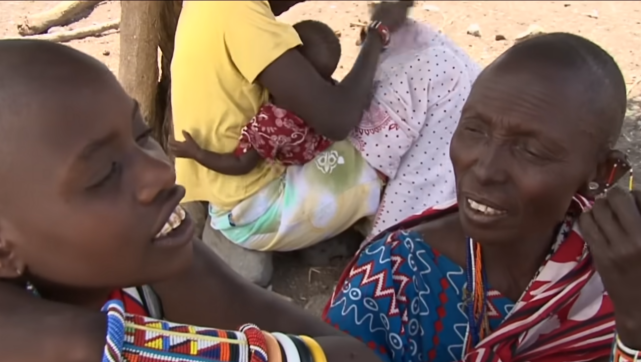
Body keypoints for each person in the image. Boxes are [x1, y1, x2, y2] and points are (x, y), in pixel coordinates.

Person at [0, 39, 412, 362]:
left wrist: (112, 346)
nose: (161, 171)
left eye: (141, 135)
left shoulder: (150, 277)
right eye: (104, 173)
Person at [324, 33, 641, 362]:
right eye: (475, 130)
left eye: (531, 150)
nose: (484, 169)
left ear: (602, 174)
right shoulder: (393, 274)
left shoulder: (601, 281)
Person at [171, 0, 412, 253]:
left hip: (228, 189)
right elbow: (336, 120)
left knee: (366, 127)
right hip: (255, 207)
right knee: (387, 151)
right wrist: (376, 35)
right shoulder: (239, 15)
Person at [349, 19, 481, 238]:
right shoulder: (271, 37)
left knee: (410, 33)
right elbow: (333, 122)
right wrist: (372, 46)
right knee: (441, 70)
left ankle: (441, 201)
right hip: (323, 171)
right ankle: (395, 237)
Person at [170, 20, 341, 172]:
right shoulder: (329, 92)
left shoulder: (272, 124)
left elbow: (240, 163)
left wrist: (198, 153)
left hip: (309, 173)